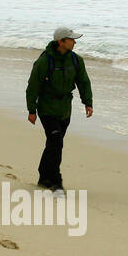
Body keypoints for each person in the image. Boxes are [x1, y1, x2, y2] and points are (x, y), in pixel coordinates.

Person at [26, 27, 93, 192]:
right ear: (61, 41)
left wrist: (88, 102)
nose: (75, 42)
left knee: (54, 144)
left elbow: (84, 82)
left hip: (65, 109)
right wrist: (31, 110)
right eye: (71, 39)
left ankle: (43, 177)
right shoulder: (44, 61)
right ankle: (56, 181)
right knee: (56, 141)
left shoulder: (76, 60)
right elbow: (32, 87)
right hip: (47, 108)